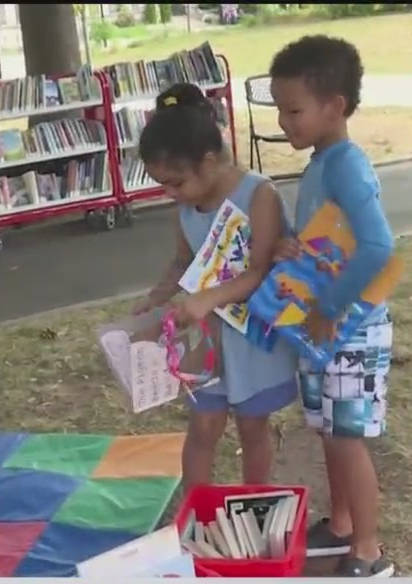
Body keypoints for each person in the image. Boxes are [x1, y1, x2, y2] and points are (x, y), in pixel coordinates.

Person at [131, 83, 299, 493]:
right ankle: (196, 511)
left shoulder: (258, 194)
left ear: (208, 162)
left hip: (252, 335)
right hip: (208, 339)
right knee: (203, 425)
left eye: (176, 183)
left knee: (252, 426)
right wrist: (155, 298)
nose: (170, 194)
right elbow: (183, 261)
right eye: (162, 185)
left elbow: (259, 270)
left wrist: (207, 299)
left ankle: (254, 506)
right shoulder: (185, 208)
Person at [269, 35, 396, 578]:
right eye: (279, 109)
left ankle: (368, 550)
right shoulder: (322, 161)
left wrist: (330, 306)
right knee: (328, 430)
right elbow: (329, 240)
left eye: (293, 110)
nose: (282, 122)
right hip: (321, 326)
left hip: (351, 328)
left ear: (334, 106)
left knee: (348, 438)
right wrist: (291, 247)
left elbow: (377, 246)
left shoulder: (346, 164)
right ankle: (341, 523)